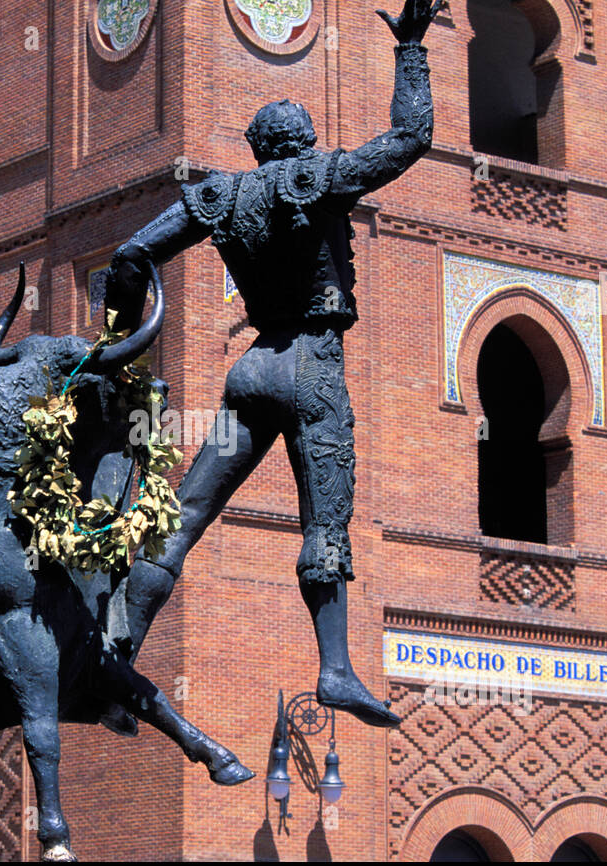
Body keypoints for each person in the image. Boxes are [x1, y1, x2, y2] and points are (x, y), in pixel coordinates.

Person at [100, 1, 443, 732]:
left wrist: (122, 338)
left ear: (259, 149)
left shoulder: (219, 196)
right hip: (311, 368)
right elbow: (412, 136)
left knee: (185, 513)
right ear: (305, 142)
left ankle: (119, 649)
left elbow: (130, 256)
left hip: (250, 370)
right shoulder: (320, 178)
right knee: (324, 523)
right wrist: (410, 47)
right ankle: (336, 669)